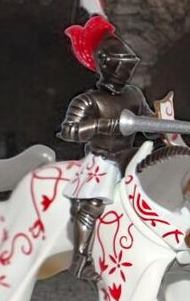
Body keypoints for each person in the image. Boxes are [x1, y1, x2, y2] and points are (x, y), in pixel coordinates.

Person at [58, 17, 157, 282]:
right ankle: (81, 258)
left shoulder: (134, 94)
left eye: (129, 67)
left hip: (131, 156)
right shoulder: (88, 100)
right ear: (107, 64)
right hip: (102, 159)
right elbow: (69, 131)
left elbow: (147, 124)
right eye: (122, 67)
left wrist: (158, 124)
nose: (126, 72)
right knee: (91, 204)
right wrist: (103, 124)